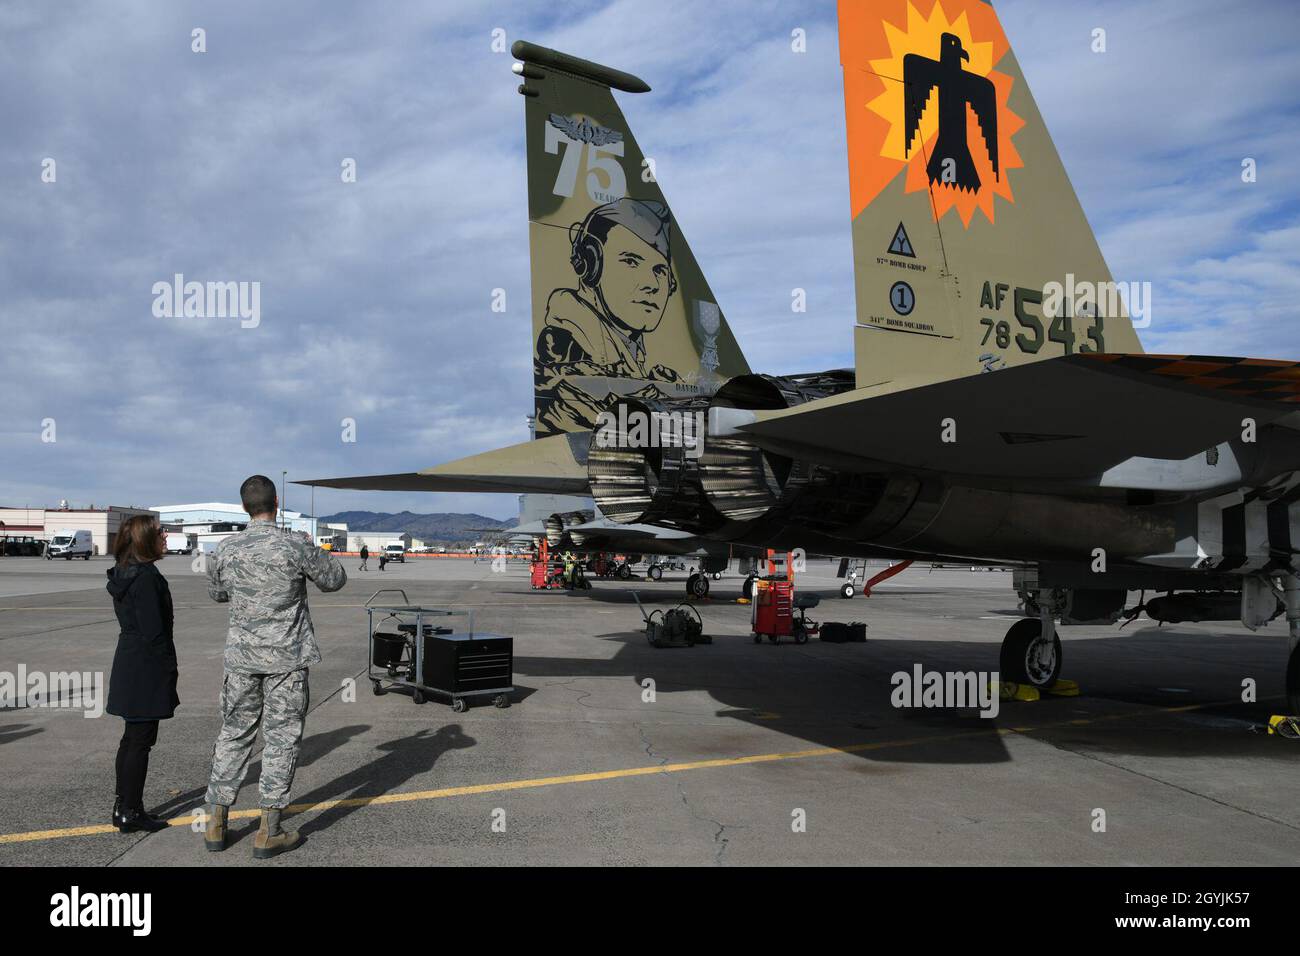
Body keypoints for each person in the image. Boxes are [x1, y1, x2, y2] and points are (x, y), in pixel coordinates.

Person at [201, 475, 346, 858]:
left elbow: (217, 594)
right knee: (280, 739)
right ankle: (269, 830)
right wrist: (311, 553)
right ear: (276, 503)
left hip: (242, 659)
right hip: (286, 660)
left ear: (244, 506)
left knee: (234, 734)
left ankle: (216, 822)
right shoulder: (294, 545)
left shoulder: (226, 549)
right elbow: (335, 580)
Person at [105, 514, 179, 833]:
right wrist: (168, 669)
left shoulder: (126, 571)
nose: (165, 535)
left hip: (130, 660)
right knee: (140, 741)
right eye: (160, 531)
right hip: (145, 665)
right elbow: (155, 631)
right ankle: (130, 810)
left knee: (132, 739)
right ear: (146, 538)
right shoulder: (146, 576)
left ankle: (125, 805)